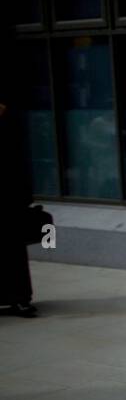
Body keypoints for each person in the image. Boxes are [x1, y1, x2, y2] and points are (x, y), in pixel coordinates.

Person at [1, 100, 38, 317]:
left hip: (9, 200)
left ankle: (20, 298)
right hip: (10, 198)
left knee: (13, 252)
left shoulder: (11, 129)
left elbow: (17, 163)